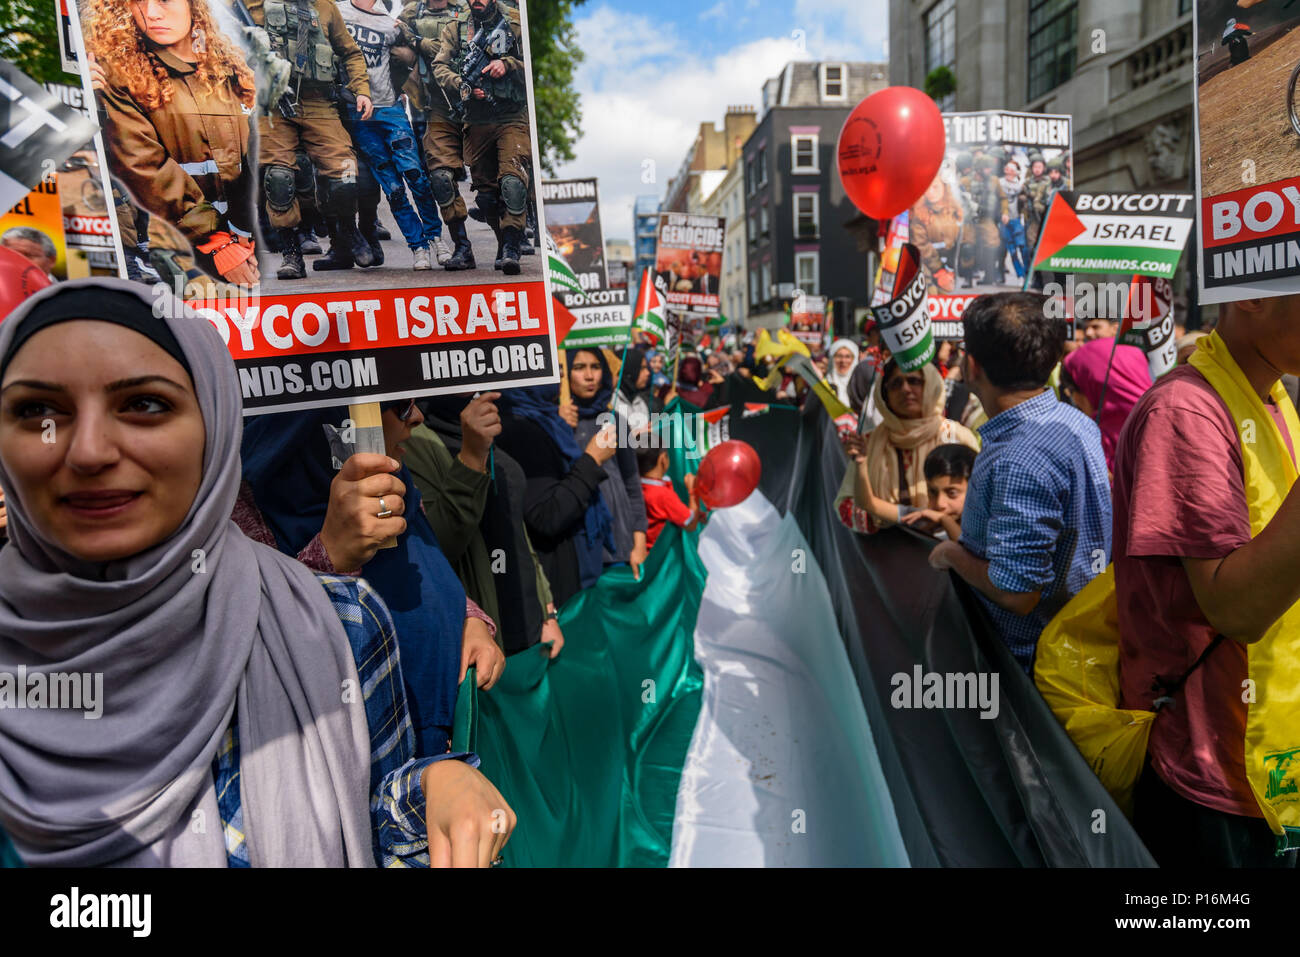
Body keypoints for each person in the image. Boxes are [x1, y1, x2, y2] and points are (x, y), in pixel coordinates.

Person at [0, 278, 513, 866]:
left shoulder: (335, 617)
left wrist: (429, 792)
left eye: (144, 404)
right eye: (38, 409)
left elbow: (374, 814)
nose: (89, 451)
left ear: (216, 426)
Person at [1112, 293, 1300, 868]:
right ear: (1252, 296)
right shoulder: (1187, 411)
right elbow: (1236, 610)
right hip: (1213, 770)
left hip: (1273, 757)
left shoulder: (1271, 396)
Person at [238, 398, 504, 759]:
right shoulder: (242, 515)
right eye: (400, 406)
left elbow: (425, 563)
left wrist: (469, 620)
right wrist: (329, 557)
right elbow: (258, 651)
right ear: (335, 420)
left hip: (440, 751)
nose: (418, 418)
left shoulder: (397, 483)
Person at [929, 292, 1111, 673]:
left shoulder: (1018, 458)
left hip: (1026, 670)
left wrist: (951, 555)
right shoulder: (1073, 420)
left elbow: (1017, 593)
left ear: (972, 365)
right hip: (1077, 646)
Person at [85, 0, 260, 287]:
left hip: (238, 240)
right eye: (138, 2)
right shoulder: (113, 73)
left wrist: (241, 233)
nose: (152, 13)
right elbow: (145, 166)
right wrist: (219, 241)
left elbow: (248, 161)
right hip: (177, 244)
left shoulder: (228, 65)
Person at [404, 393, 564, 658]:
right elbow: (438, 545)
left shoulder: (489, 416)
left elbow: (514, 521)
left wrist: (546, 606)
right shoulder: (413, 436)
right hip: (480, 635)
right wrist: (471, 456)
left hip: (529, 622)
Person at [249, 0, 374, 280]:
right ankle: (291, 253)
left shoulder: (325, 7)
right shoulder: (250, 4)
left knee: (345, 172)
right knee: (279, 178)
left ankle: (346, 232)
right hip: (272, 104)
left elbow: (350, 53)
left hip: (318, 102)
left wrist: (362, 90)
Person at [337, 0, 447, 270]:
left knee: (415, 175)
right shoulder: (337, 11)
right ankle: (418, 247)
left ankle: (435, 237)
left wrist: (400, 87)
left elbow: (411, 57)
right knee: (393, 188)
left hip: (390, 109)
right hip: (357, 113)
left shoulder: (391, 23)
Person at [494, 384, 617, 607]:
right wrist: (592, 460)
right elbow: (548, 515)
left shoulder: (546, 420)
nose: (560, 376)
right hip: (551, 584)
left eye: (560, 368)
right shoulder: (518, 428)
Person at [433, 0, 530, 273]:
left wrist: (508, 64)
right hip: (476, 118)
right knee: (486, 197)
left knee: (513, 182)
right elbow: (440, 67)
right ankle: (503, 243)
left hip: (511, 115)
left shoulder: (517, 23)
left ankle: (512, 247)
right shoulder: (457, 28)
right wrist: (462, 85)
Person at [836, 360, 979, 534]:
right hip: (886, 554)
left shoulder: (956, 436)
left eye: (914, 381)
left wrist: (945, 525)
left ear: (931, 384)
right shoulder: (868, 443)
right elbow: (851, 505)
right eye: (896, 384)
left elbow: (984, 499)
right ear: (884, 394)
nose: (905, 389)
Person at [399, 0, 472, 269]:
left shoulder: (470, 7)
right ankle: (462, 247)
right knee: (440, 176)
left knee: (496, 182)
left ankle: (509, 242)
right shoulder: (411, 13)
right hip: (438, 104)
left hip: (481, 102)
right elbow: (393, 43)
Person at [563, 349, 649, 579]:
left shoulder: (616, 420)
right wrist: (559, 424)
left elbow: (632, 483)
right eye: (579, 367)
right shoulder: (557, 423)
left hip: (621, 546)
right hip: (579, 549)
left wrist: (639, 542)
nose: (590, 376)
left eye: (596, 366)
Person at [1059, 337, 1152, 477]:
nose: (1074, 400)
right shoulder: (1169, 423)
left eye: (1072, 391)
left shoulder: (1083, 449)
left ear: (1093, 387)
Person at [900, 443, 977, 541]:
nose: (940, 503)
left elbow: (967, 550)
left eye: (952, 493)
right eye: (933, 492)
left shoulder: (991, 530)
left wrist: (945, 520)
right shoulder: (929, 520)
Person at [637, 446, 701, 547]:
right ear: (662, 459)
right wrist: (692, 490)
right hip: (662, 557)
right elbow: (690, 523)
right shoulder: (662, 495)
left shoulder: (639, 487)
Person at [614, 346, 653, 432]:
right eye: (642, 368)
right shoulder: (612, 402)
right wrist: (633, 436)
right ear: (630, 370)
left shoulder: (640, 401)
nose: (647, 373)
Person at [826, 338, 859, 406]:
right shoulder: (824, 383)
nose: (843, 361)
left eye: (847, 357)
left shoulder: (859, 386)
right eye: (839, 356)